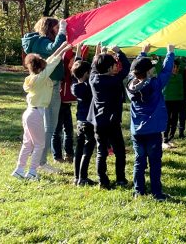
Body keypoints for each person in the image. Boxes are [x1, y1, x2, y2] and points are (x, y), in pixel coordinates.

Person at [12, 42, 72, 180]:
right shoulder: (40, 78)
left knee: (28, 143)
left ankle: (19, 169)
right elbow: (52, 63)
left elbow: (50, 60)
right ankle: (32, 171)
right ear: (40, 67)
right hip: (36, 114)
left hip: (29, 113)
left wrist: (62, 47)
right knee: (39, 144)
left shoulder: (32, 77)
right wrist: (64, 49)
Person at [126, 44, 176, 200]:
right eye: (152, 68)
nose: (154, 69)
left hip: (137, 132)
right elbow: (166, 71)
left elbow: (133, 70)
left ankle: (138, 191)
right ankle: (156, 193)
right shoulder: (154, 84)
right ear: (148, 72)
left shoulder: (130, 85)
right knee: (154, 163)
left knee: (139, 161)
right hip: (153, 131)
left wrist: (143, 52)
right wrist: (170, 53)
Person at [21, 17, 68, 173]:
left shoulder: (38, 41)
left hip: (51, 86)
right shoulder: (41, 42)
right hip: (49, 87)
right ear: (49, 28)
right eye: (56, 27)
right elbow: (54, 48)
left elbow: (56, 52)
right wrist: (62, 29)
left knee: (48, 128)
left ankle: (37, 162)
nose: (58, 30)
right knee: (49, 127)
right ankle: (40, 162)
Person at [89, 43, 130, 189]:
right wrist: (119, 52)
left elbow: (94, 67)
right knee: (119, 151)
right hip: (112, 122)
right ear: (109, 68)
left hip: (99, 122)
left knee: (101, 152)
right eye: (114, 65)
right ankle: (120, 179)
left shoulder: (93, 79)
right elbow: (126, 67)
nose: (116, 67)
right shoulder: (114, 80)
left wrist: (100, 53)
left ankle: (103, 181)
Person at [70, 45, 97, 186]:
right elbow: (94, 71)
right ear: (87, 73)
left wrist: (79, 52)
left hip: (80, 122)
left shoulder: (74, 85)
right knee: (88, 149)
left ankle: (76, 177)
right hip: (89, 122)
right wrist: (98, 55)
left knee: (79, 149)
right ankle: (83, 178)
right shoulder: (88, 86)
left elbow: (77, 66)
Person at [163, 57, 186, 145]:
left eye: (177, 67)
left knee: (177, 117)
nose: (175, 69)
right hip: (169, 100)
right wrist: (174, 56)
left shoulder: (181, 73)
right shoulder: (167, 75)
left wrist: (181, 56)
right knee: (168, 118)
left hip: (179, 99)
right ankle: (166, 136)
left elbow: (183, 66)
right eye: (173, 67)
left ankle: (175, 135)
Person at [52, 50, 76, 162]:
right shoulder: (63, 71)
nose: (73, 64)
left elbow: (80, 57)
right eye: (72, 61)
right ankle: (57, 156)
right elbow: (66, 57)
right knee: (57, 131)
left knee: (69, 130)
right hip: (58, 103)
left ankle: (69, 154)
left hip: (67, 104)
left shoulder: (72, 74)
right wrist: (71, 46)